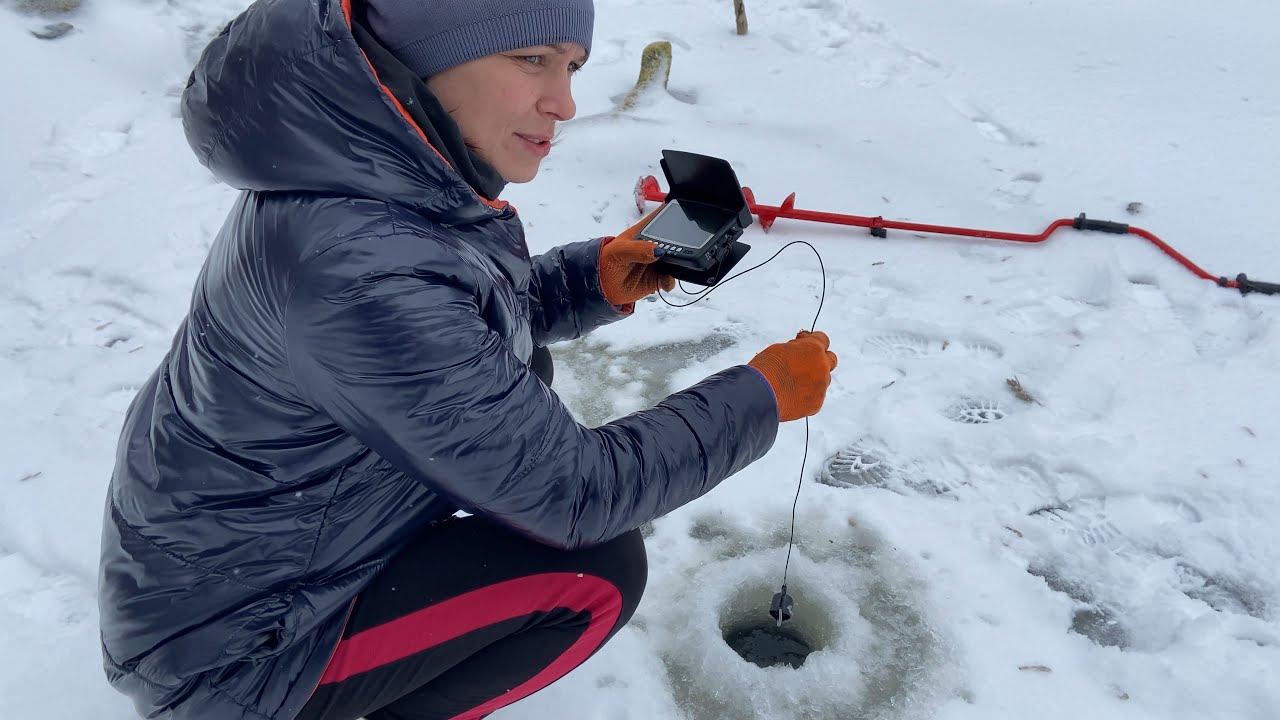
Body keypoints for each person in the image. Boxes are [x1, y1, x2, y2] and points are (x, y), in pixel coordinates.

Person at [96, 0, 839, 718]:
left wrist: (592, 276)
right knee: (595, 572)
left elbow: (451, 321)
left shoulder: (354, 167)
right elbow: (577, 492)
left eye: (573, 66)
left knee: (517, 380)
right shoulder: (353, 267)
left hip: (225, 570)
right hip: (238, 657)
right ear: (423, 59)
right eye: (532, 59)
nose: (565, 103)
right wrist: (761, 397)